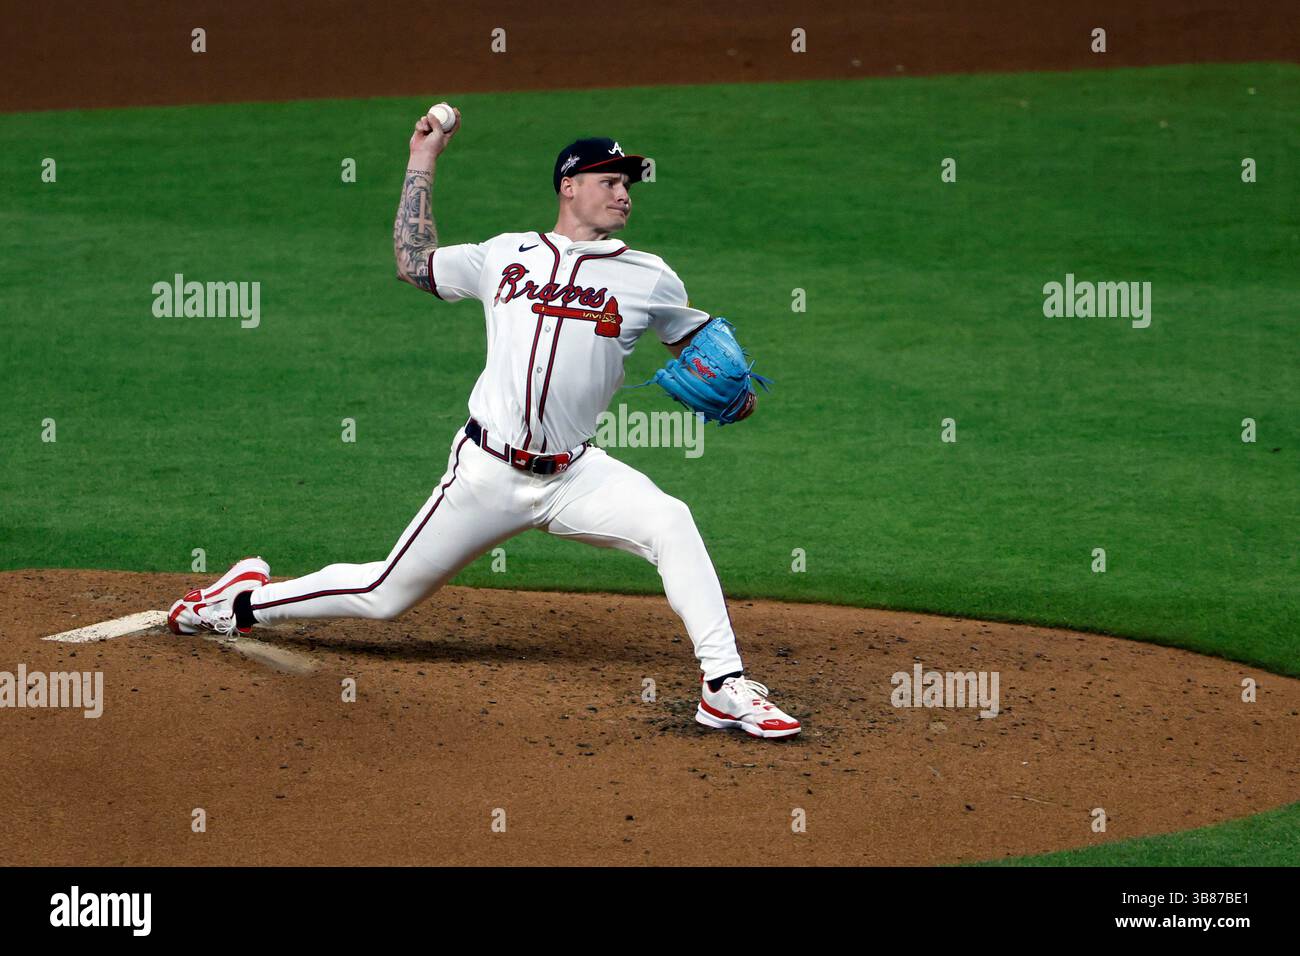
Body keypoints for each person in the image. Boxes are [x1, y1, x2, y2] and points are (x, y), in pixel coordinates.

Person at [166, 109, 800, 739]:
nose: (624, 193)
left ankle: (723, 686)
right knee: (384, 595)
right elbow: (413, 262)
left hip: (574, 474)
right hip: (486, 474)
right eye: (610, 180)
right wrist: (424, 158)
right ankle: (233, 604)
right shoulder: (505, 255)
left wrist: (737, 398)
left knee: (672, 521)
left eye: (628, 183)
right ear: (569, 185)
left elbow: (699, 347)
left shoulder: (649, 277)